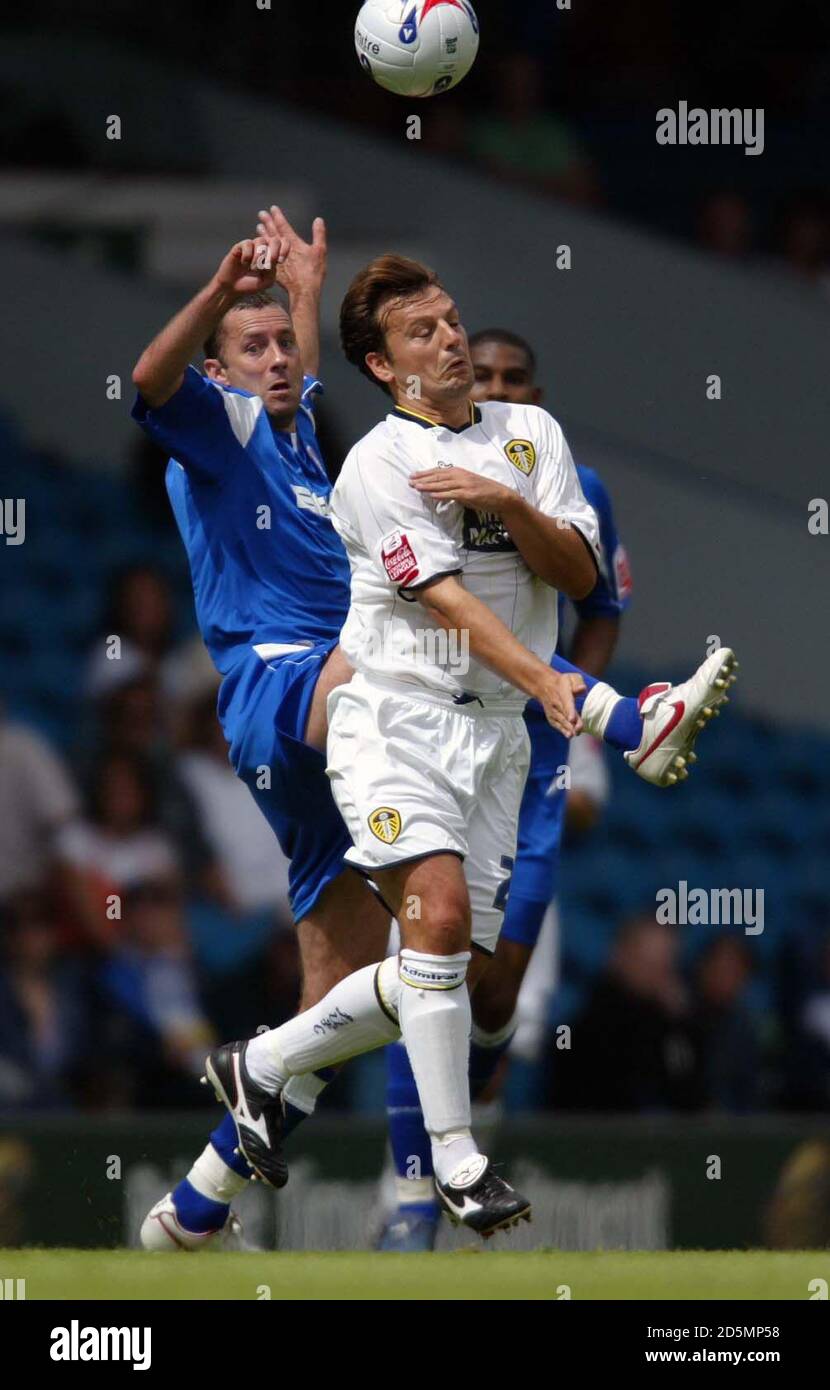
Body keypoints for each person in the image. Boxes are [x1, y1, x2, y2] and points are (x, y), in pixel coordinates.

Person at [203, 253, 737, 1239]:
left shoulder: (530, 434)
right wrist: (554, 688)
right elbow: (439, 599)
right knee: (435, 918)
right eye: (423, 331)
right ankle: (450, 1164)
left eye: (451, 319)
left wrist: (509, 503)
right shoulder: (375, 465)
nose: (449, 338)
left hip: (497, 739)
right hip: (398, 719)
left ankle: (263, 1063)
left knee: (444, 967)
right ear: (380, 363)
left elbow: (577, 573)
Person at [378, 325, 630, 1249]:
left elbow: (599, 605)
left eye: (514, 377)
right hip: (445, 737)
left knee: (499, 998)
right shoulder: (409, 467)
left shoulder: (566, 474)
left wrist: (582, 718)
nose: (497, 387)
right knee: (434, 957)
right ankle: (412, 1192)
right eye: (481, 374)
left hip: (539, 749)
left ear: (536, 386)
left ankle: (458, 1144)